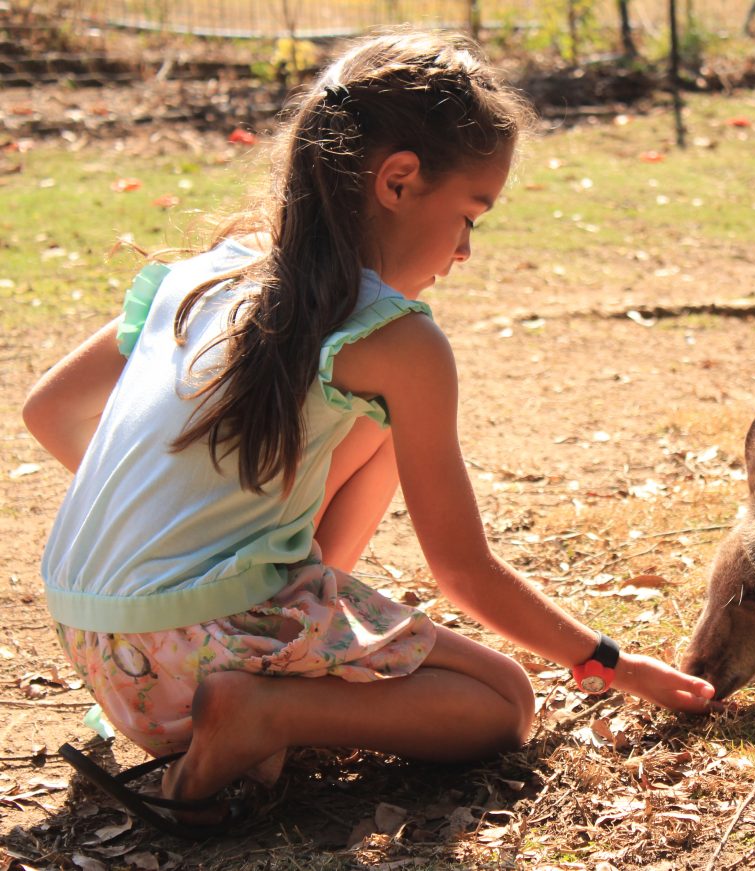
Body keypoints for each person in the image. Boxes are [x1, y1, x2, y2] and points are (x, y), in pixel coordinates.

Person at [23, 27, 714, 837]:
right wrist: (607, 660)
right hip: (194, 656)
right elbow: (461, 568)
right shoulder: (399, 337)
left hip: (98, 646)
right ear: (397, 180)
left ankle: (271, 652)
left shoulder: (202, 272)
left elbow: (48, 410)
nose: (463, 251)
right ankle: (263, 707)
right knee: (502, 703)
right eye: (469, 215)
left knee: (375, 433)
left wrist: (168, 535)